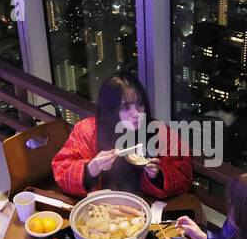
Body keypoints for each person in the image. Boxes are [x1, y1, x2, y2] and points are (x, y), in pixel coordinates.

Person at [51, 72, 192, 198]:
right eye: (126, 108)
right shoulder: (87, 130)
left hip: (147, 207)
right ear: (110, 110)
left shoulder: (160, 132)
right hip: (103, 208)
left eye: (140, 104)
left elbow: (183, 173)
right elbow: (61, 170)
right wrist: (91, 168)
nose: (137, 114)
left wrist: (157, 175)